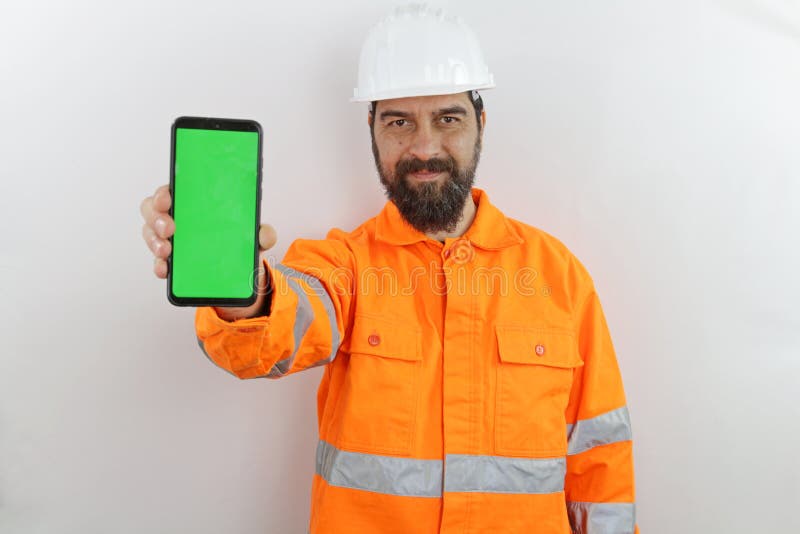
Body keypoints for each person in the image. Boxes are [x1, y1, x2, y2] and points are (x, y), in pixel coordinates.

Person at [140, 5, 639, 533]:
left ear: (480, 123)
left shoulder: (559, 277)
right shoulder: (345, 265)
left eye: (447, 118)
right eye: (398, 121)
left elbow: (600, 463)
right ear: (372, 130)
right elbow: (280, 326)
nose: (424, 148)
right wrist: (242, 288)